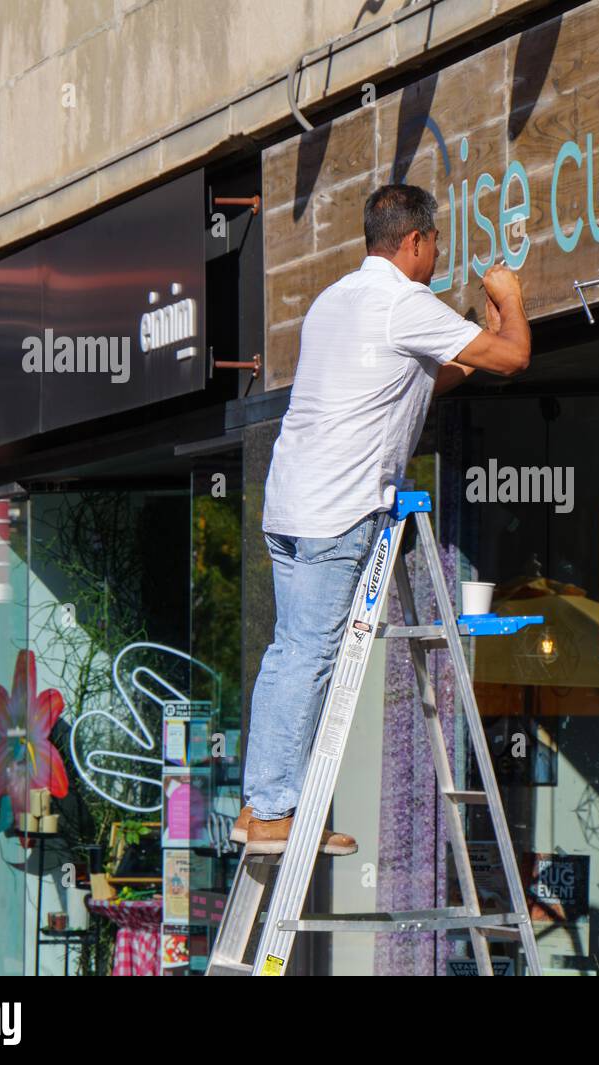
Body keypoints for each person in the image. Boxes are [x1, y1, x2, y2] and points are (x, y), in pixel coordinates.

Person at [234, 184, 532, 854]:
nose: (437, 255)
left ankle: (259, 807)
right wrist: (507, 298)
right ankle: (276, 808)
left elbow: (422, 376)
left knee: (288, 653)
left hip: (289, 504)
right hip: (338, 507)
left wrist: (471, 338)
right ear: (415, 242)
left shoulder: (333, 301)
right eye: (435, 244)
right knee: (309, 655)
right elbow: (513, 357)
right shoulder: (404, 303)